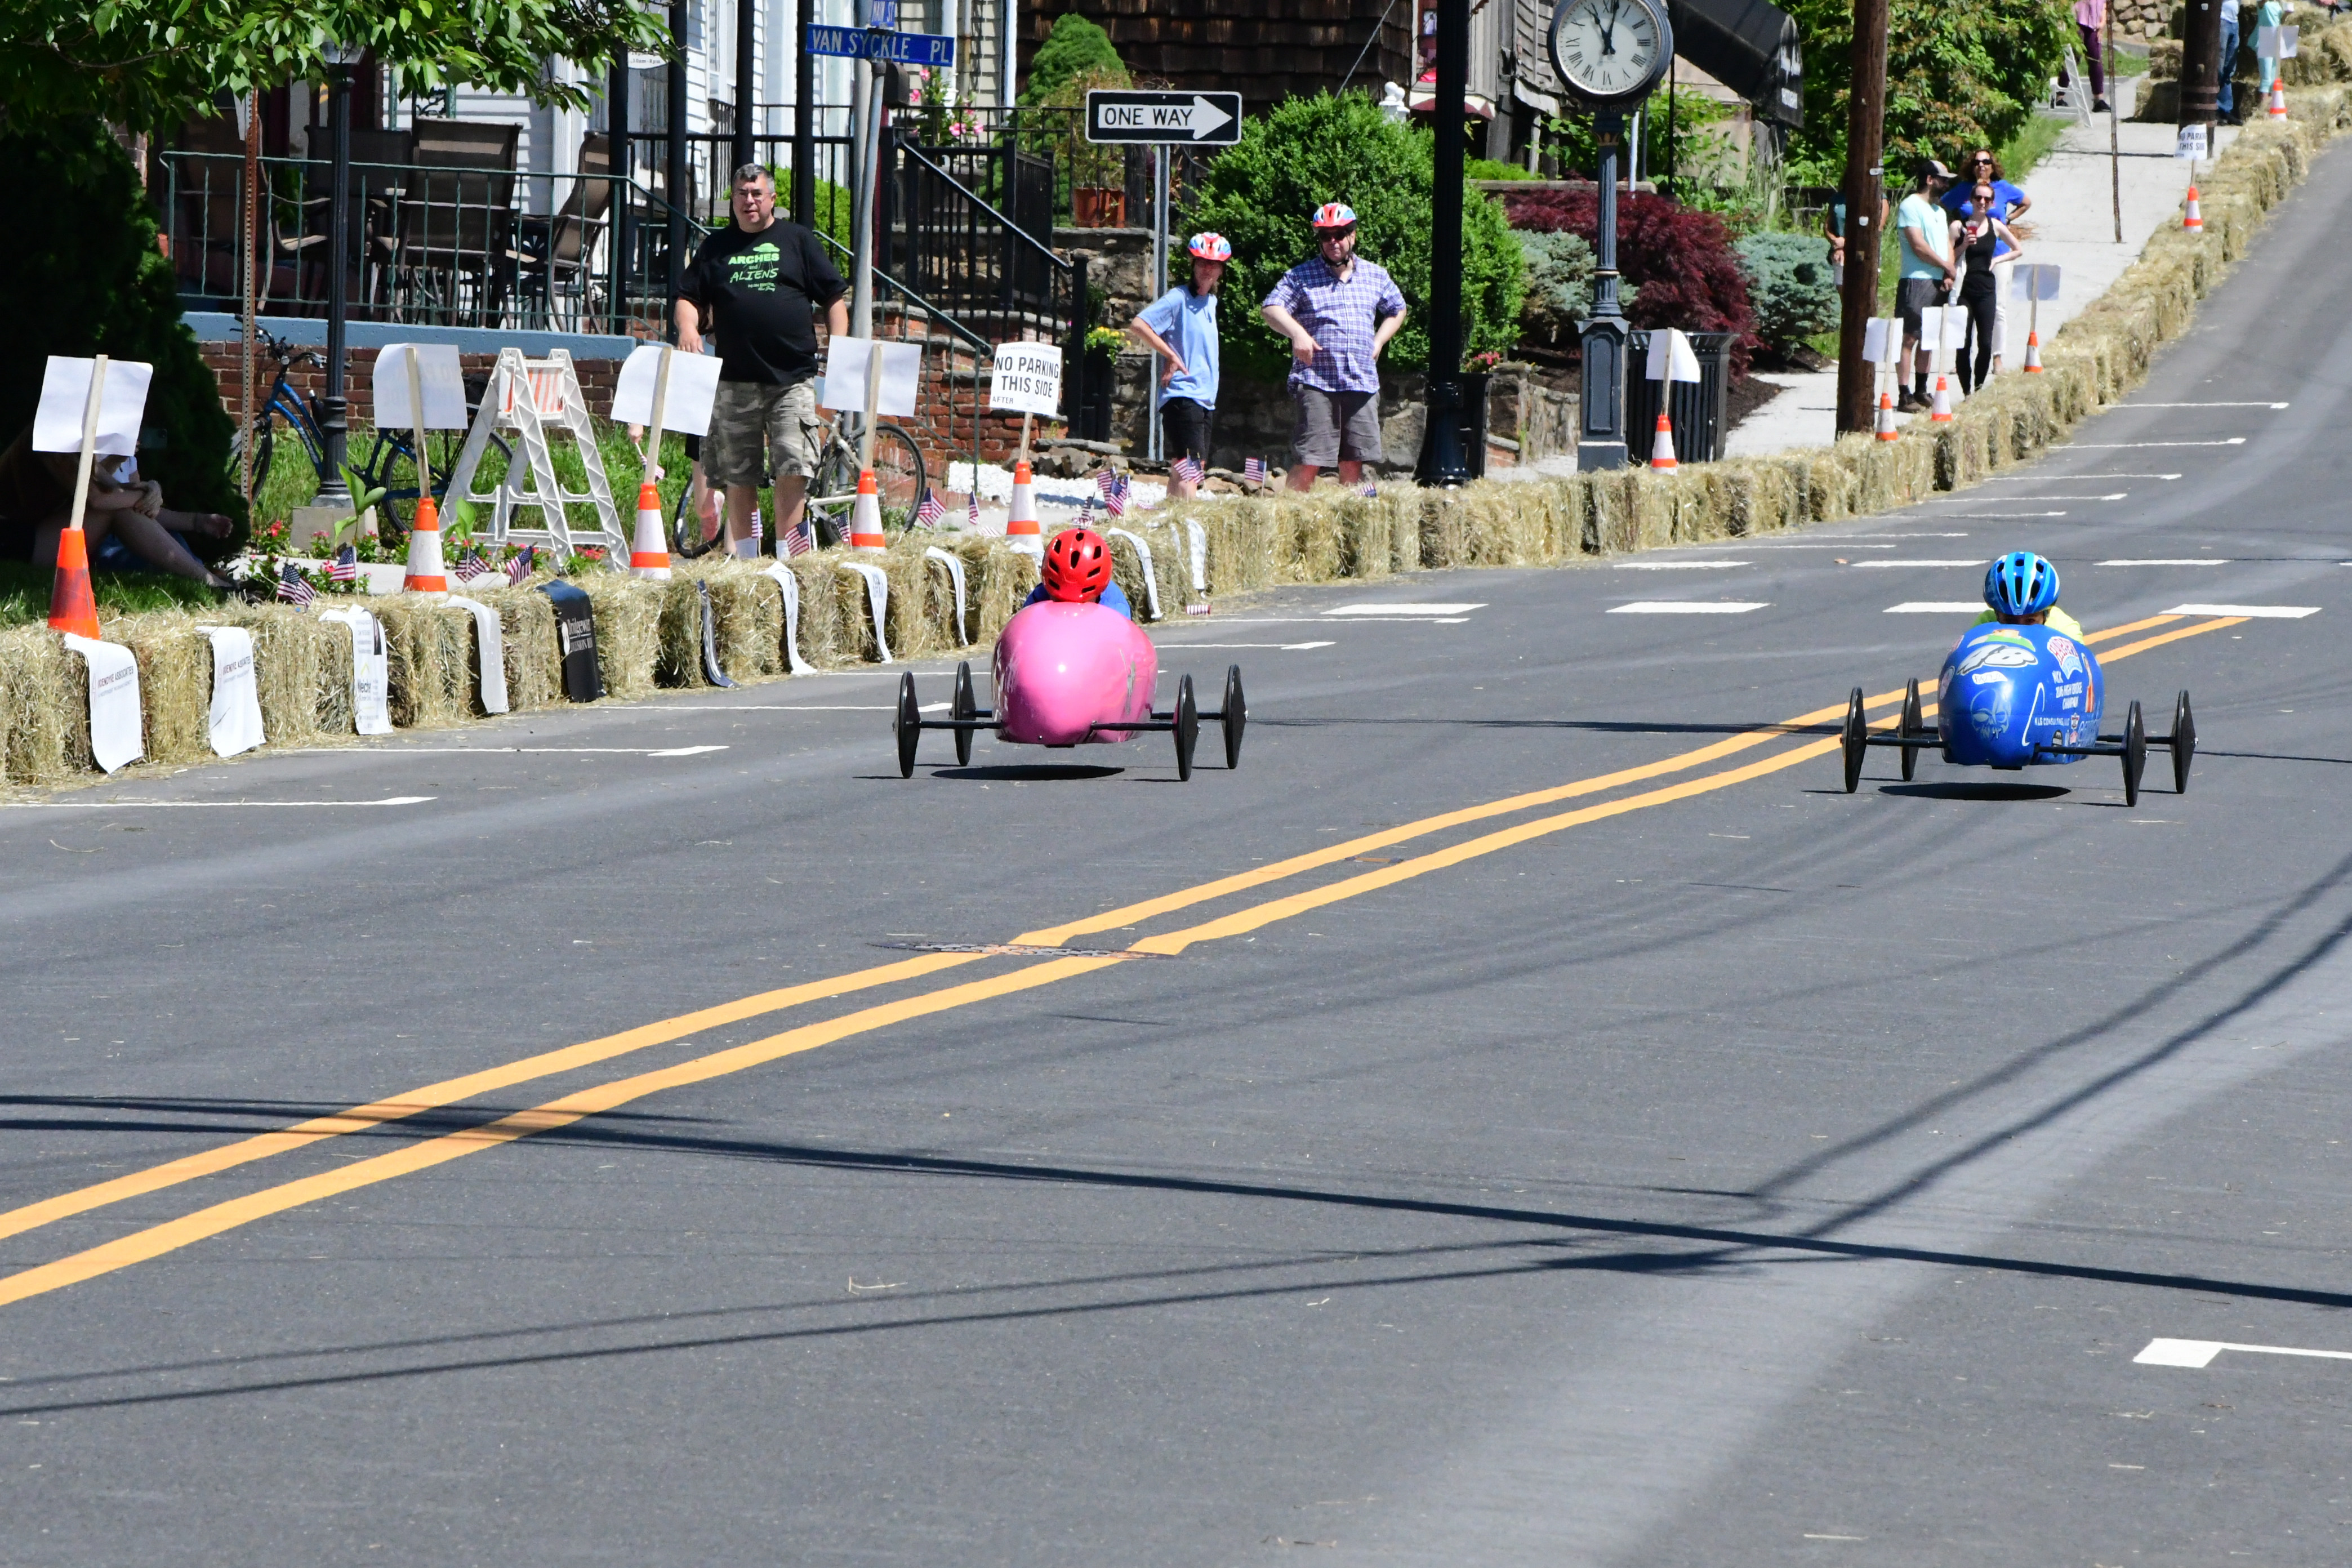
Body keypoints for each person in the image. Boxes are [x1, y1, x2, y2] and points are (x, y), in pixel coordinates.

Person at [675, 164, 849, 558]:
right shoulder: (715, 248)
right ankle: (749, 560)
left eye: (756, 193)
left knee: (793, 468)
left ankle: (791, 555)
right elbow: (688, 297)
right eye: (741, 194)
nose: (749, 201)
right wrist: (688, 329)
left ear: (772, 199)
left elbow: (834, 298)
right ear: (732, 201)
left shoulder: (797, 241)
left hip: (791, 380)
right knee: (740, 475)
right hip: (735, 380)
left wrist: (841, 351)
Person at [1259, 203, 1407, 492]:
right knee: (1309, 458)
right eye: (1325, 236)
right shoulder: (1301, 276)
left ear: (1353, 235)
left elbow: (1397, 308)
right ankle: (1292, 517)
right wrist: (1298, 334)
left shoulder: (1375, 275)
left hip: (1361, 381)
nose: (1333, 242)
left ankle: (1349, 515)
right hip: (1317, 381)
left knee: (1354, 459)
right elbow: (1271, 308)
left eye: (1339, 234)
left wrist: (1379, 341)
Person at [0, 425, 238, 589]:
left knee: (160, 532)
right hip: (17, 539)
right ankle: (209, 582)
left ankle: (207, 578)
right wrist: (148, 491)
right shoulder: (51, 435)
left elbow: (124, 498)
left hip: (50, 534)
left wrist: (195, 520)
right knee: (121, 517)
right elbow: (99, 499)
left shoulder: (92, 449)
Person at [1129, 231, 1230, 501]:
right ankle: (1188, 528)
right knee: (1192, 468)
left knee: (1183, 465)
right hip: (1183, 394)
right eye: (1202, 262)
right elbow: (1140, 325)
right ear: (1193, 264)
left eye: (1214, 264)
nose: (1208, 269)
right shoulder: (1178, 298)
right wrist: (1171, 355)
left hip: (1204, 396)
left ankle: (1170, 518)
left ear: (1221, 269)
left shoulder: (1211, 302)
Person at [1940, 150, 2030, 371]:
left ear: (1993, 165)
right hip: (1968, 253)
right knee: (1963, 305)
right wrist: (1955, 227)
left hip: (1997, 254)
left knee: (1998, 306)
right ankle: (1962, 356)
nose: (1982, 166)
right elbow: (1942, 205)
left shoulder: (2003, 187)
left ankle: (1997, 357)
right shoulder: (1963, 189)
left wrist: (2008, 219)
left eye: (1986, 162)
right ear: (1972, 166)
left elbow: (2026, 202)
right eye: (1977, 162)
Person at [1950, 183, 2024, 396]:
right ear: (1971, 200)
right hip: (1964, 289)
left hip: (1986, 289)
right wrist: (1963, 244)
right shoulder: (1958, 226)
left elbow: (2018, 249)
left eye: (1987, 200)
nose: (1982, 203)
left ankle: (1979, 387)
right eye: (1978, 198)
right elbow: (1949, 259)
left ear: (1992, 203)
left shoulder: (1996, 226)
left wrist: (1997, 260)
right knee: (1963, 343)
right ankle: (1967, 393)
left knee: (1985, 343)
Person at [1895, 161, 1957, 411]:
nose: (1946, 184)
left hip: (1937, 279)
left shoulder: (1940, 212)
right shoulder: (1910, 205)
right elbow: (1918, 246)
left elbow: (1946, 245)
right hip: (1916, 278)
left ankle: (1922, 390)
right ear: (1930, 180)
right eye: (1943, 179)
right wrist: (1945, 265)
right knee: (1910, 336)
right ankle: (1904, 394)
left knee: (1929, 339)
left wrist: (1948, 271)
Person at [1023, 525, 1133, 619]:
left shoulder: (1116, 611)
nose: (1071, 611)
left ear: (1099, 591)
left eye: (1085, 603)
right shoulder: (1038, 599)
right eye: (1059, 600)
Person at [1977, 551, 2084, 640]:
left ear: (2046, 614)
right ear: (1997, 614)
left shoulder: (2065, 631)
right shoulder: (1985, 623)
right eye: (2010, 620)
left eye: (2030, 621)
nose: (2020, 630)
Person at [2220, 0, 2243, 122]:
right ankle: (2214, 108)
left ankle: (2225, 111)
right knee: (2219, 68)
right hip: (2222, 20)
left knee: (2229, 69)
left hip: (2234, 23)